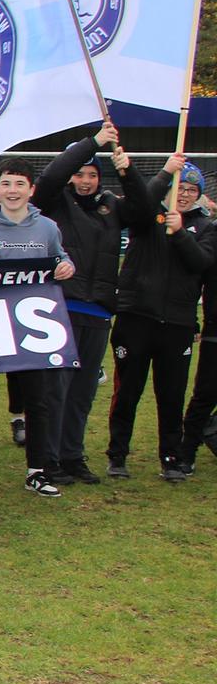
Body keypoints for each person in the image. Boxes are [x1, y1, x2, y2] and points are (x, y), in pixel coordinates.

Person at [0, 156, 77, 497]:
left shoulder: (47, 228)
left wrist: (66, 266)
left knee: (37, 400)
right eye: (6, 184)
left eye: (19, 184)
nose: (12, 190)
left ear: (31, 190)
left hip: (29, 329)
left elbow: (60, 259)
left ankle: (38, 470)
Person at [32, 123, 136, 486]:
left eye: (92, 174)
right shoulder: (57, 202)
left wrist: (128, 171)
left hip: (100, 311)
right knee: (56, 389)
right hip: (64, 308)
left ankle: (73, 455)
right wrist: (93, 144)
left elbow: (142, 209)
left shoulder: (111, 207)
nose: (86, 180)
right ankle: (49, 458)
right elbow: (49, 178)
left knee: (83, 391)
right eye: (79, 173)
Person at [104, 154, 206, 480]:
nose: (185, 193)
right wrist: (163, 174)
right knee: (127, 391)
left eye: (191, 188)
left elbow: (200, 264)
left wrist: (181, 234)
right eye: (180, 186)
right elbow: (140, 200)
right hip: (136, 318)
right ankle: (117, 455)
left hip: (177, 323)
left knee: (171, 395)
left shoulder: (206, 227)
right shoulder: (148, 216)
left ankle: (171, 457)